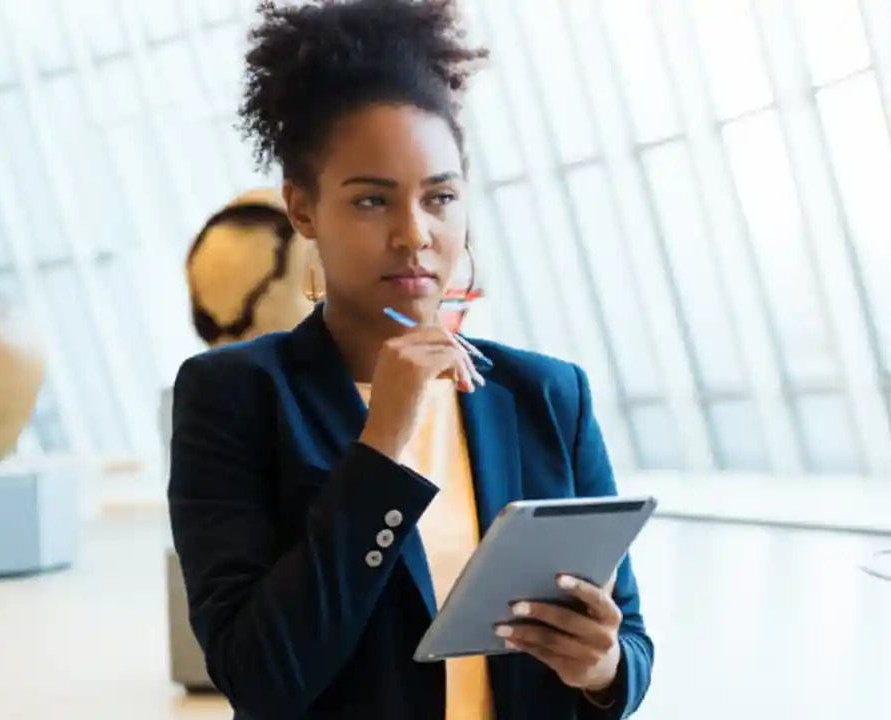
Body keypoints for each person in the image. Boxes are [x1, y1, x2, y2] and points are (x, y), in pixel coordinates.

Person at [167, 1, 653, 718]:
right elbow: (260, 676)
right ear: (302, 209)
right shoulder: (234, 395)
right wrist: (382, 446)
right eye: (371, 201)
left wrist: (603, 666)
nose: (414, 234)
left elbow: (631, 648)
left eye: (440, 197)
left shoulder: (547, 394)